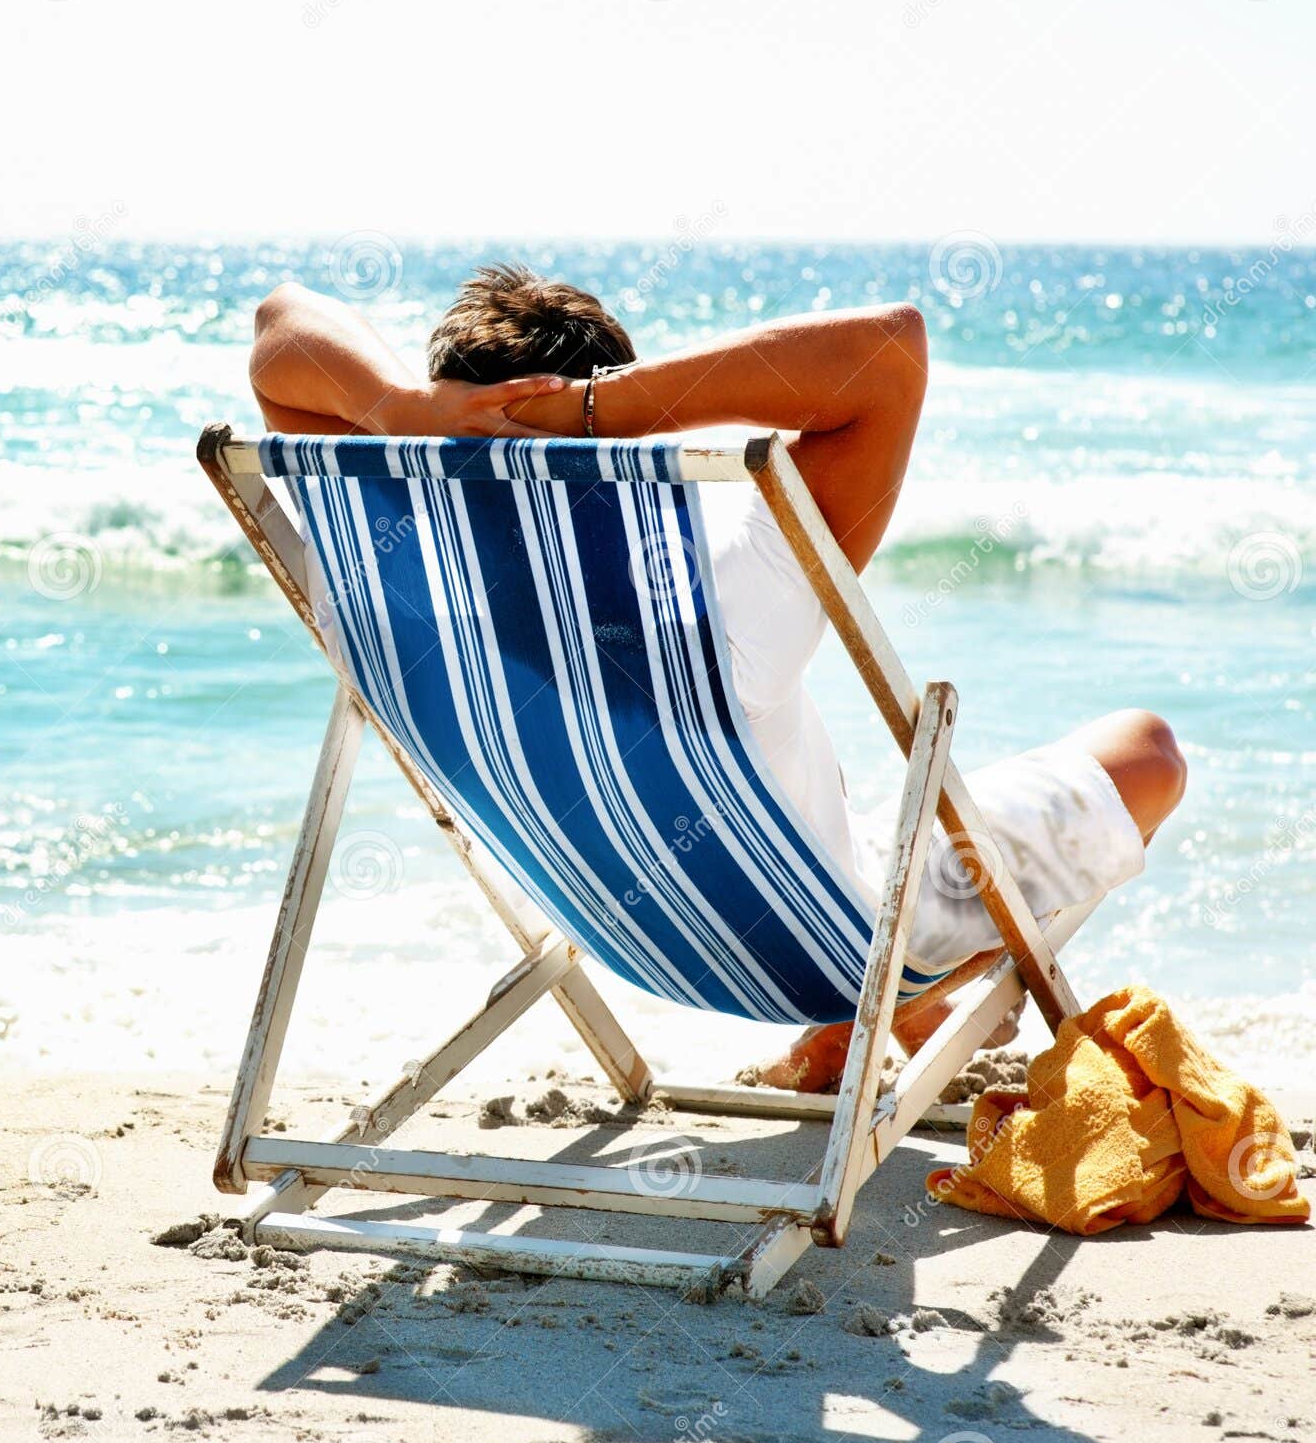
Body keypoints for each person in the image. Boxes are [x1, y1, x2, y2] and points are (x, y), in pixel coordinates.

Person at [248, 264, 1187, 1090]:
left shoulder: (375, 575)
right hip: (835, 953)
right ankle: (884, 1011)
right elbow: (889, 351)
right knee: (1146, 751)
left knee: (834, 795)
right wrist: (591, 412)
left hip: (633, 942)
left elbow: (280, 321)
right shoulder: (732, 591)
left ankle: (858, 1034)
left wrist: (404, 413)